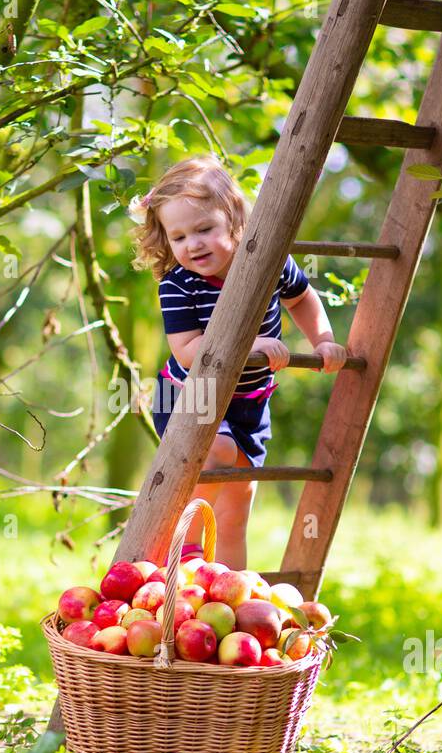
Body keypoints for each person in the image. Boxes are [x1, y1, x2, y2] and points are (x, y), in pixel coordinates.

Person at [129, 155, 349, 569]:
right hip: (186, 394)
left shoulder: (270, 264)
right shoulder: (178, 284)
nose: (192, 245)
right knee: (218, 454)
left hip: (249, 401)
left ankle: (231, 592)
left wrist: (323, 340)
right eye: (178, 237)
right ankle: (183, 562)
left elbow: (302, 297)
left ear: (233, 219)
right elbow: (188, 351)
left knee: (238, 503)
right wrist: (252, 348)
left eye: (204, 229)